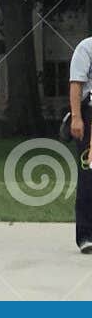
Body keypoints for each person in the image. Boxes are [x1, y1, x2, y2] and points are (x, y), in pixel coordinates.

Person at [69, 33, 92, 252]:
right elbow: (76, 84)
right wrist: (76, 117)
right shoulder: (86, 48)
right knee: (88, 173)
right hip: (89, 115)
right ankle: (86, 235)